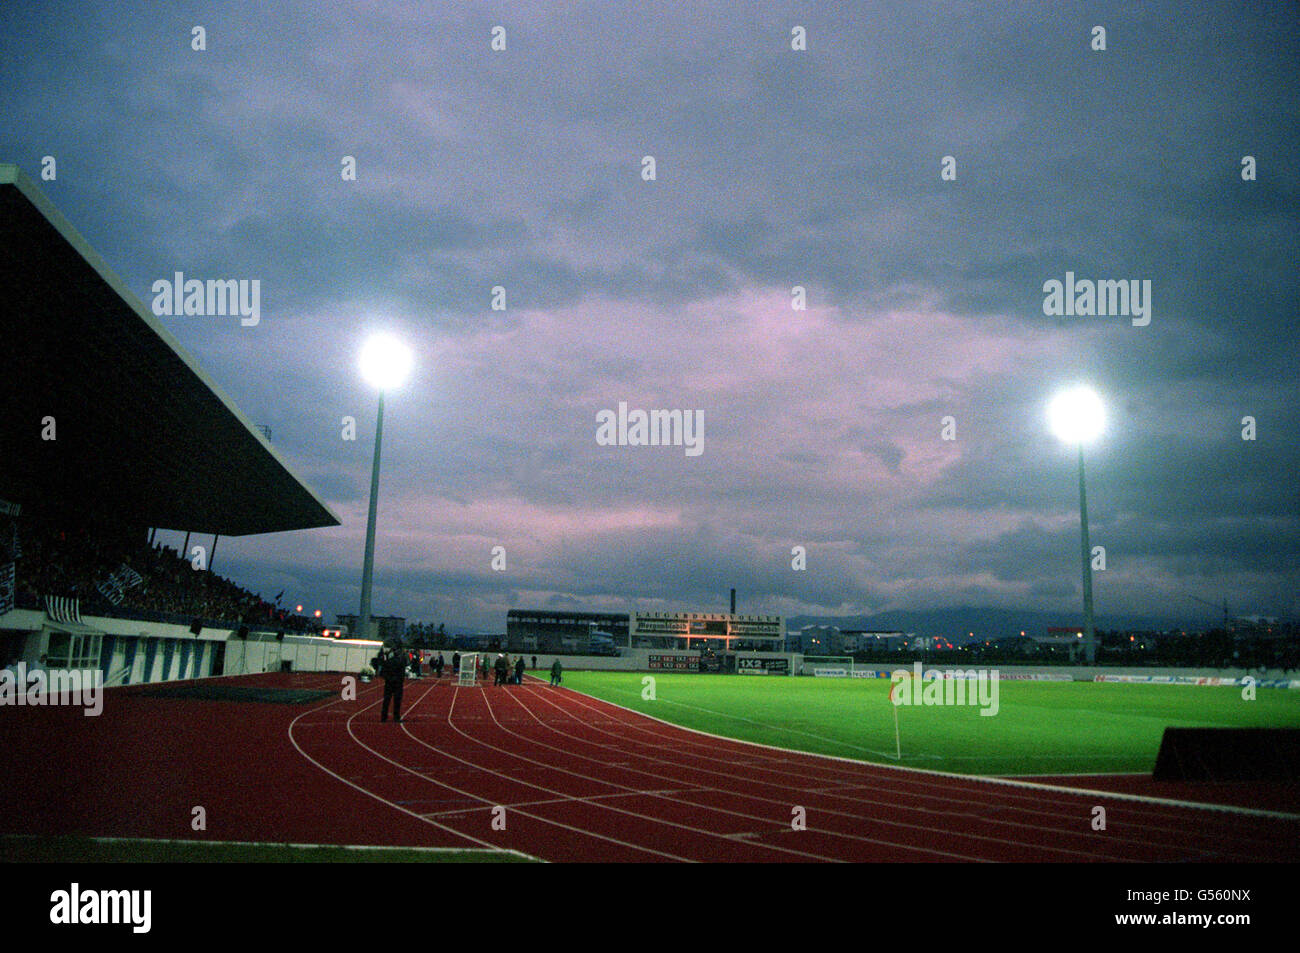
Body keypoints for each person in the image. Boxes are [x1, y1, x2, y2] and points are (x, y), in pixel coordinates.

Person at [379, 644, 407, 723]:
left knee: (386, 701)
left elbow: (382, 673)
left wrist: (388, 678)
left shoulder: (388, 661)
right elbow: (402, 673)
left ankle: (383, 717)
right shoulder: (400, 662)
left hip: (389, 683)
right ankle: (396, 717)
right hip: (397, 684)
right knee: (397, 701)